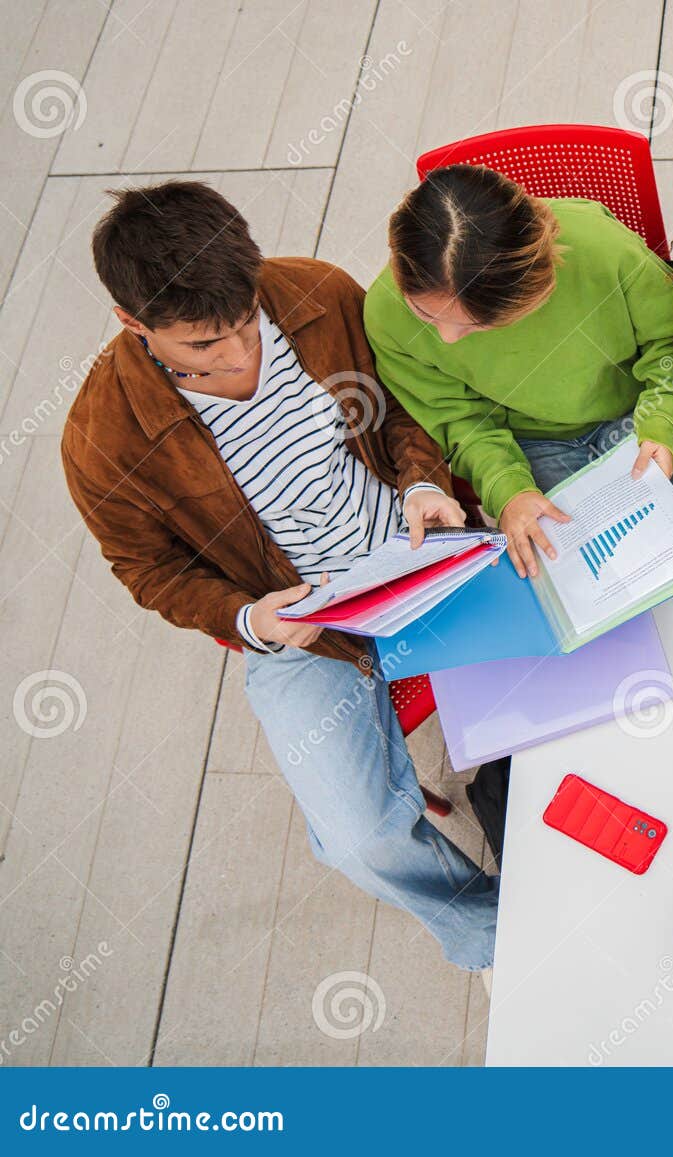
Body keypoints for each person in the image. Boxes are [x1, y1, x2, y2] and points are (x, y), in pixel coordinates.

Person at [62, 181, 498, 973]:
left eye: (241, 326)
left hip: (417, 554)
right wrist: (250, 620)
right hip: (304, 633)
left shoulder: (318, 294)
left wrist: (425, 483)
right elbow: (146, 568)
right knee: (359, 837)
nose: (236, 355)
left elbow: (403, 401)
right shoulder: (103, 437)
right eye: (202, 346)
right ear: (133, 324)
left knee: (577, 687)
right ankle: (500, 930)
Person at [365, 163, 673, 580]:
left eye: (476, 325)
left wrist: (665, 420)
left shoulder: (602, 250)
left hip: (641, 411)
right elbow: (458, 421)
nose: (448, 339)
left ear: (536, 286)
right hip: (530, 441)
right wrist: (508, 490)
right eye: (424, 313)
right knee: (578, 576)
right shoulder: (385, 314)